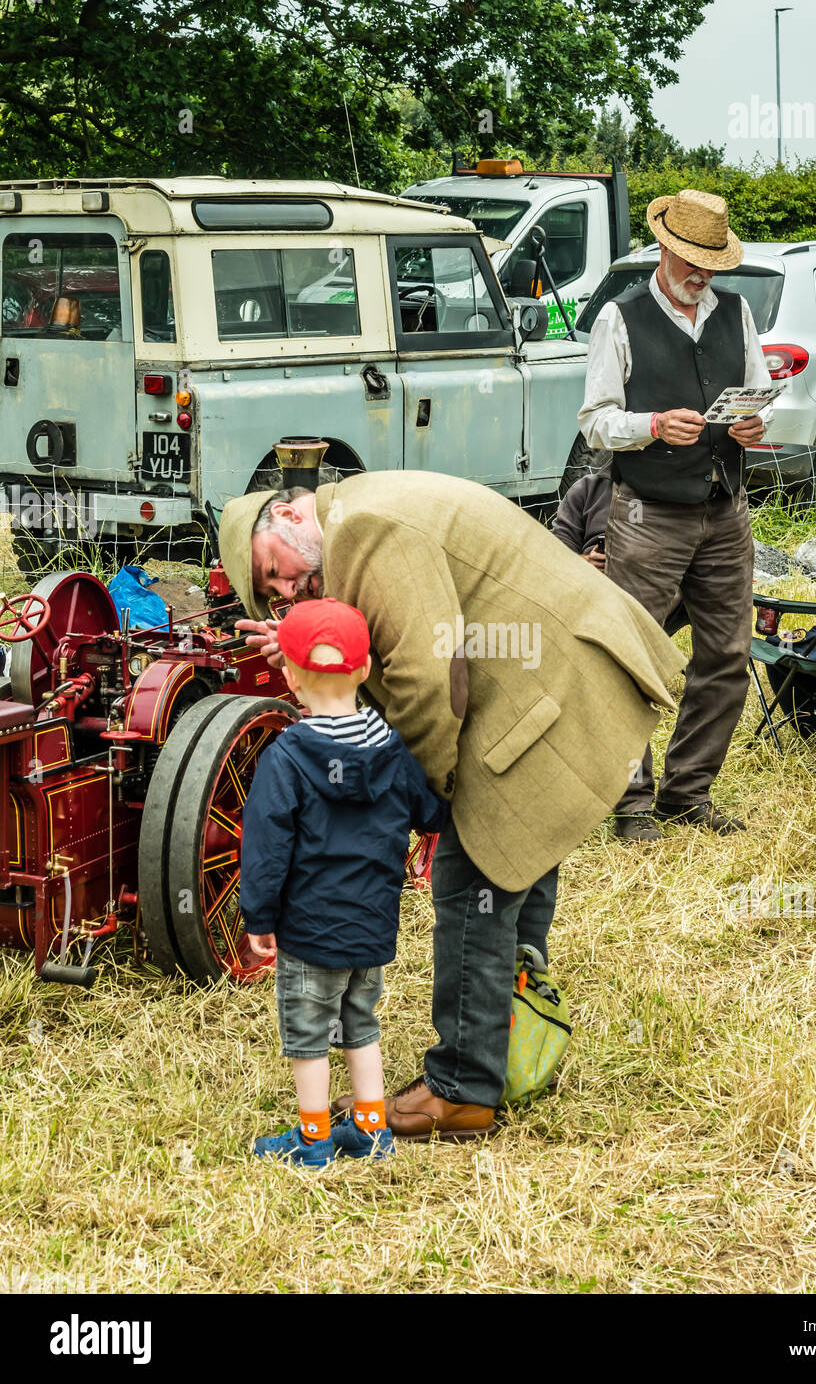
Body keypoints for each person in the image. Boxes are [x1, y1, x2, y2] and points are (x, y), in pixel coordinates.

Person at [219, 469, 685, 1140]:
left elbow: (426, 680)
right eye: (275, 596)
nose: (289, 590)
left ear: (290, 518)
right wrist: (312, 643)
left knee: (472, 877)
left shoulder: (362, 531)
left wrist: (425, 801)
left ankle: (463, 1087)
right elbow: (403, 635)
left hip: (551, 686)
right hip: (556, 668)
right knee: (521, 854)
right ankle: (518, 1024)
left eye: (277, 573)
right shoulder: (357, 511)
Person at [578, 188, 772, 844]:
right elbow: (595, 423)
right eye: (691, 261)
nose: (701, 275)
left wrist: (752, 425)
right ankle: (631, 803)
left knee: (726, 652)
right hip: (647, 514)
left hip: (725, 508)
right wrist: (653, 425)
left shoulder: (737, 313)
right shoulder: (619, 318)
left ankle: (688, 794)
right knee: (631, 658)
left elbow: (756, 395)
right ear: (664, 249)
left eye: (711, 263)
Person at [241, 597, 449, 1166]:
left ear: (287, 674)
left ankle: (313, 1141)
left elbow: (265, 846)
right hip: (373, 927)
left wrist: (258, 916)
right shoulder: (393, 751)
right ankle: (371, 1130)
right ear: (362, 671)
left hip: (310, 930)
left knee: (309, 1033)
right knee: (361, 1024)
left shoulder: (286, 759)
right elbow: (430, 813)